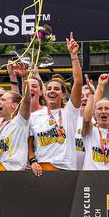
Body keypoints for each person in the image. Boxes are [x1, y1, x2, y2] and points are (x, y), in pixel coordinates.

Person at [26, 34, 84, 171]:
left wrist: (74, 56)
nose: (52, 91)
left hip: (67, 169)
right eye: (49, 88)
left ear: (64, 94)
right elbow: (28, 144)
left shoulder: (69, 112)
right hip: (43, 168)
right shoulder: (34, 116)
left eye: (57, 89)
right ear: (45, 93)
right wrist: (33, 160)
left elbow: (78, 82)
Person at [0, 63, 36, 172]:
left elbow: (26, 101)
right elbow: (4, 151)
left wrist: (24, 78)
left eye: (3, 99)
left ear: (14, 105)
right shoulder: (1, 124)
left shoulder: (20, 121)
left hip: (13, 171)